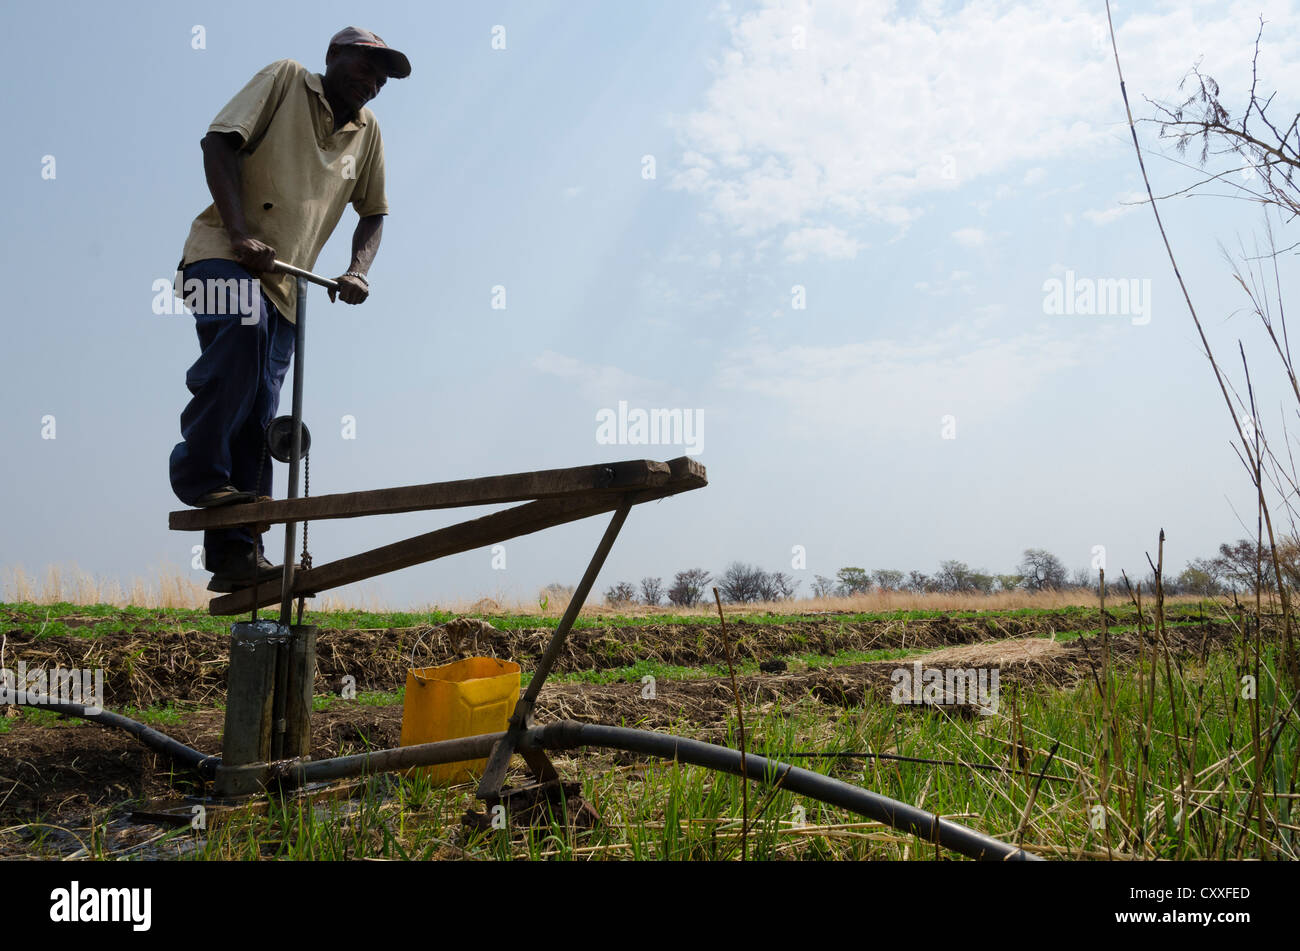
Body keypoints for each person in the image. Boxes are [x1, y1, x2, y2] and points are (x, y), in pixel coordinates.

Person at [168, 28, 409, 592]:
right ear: (334, 56)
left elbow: (373, 212)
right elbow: (217, 142)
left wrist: (358, 271)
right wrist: (239, 233)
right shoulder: (286, 78)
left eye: (382, 78)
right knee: (243, 335)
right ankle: (199, 474)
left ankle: (237, 555)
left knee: (261, 412)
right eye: (365, 67)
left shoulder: (368, 133)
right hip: (221, 257)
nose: (371, 82)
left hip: (286, 287)